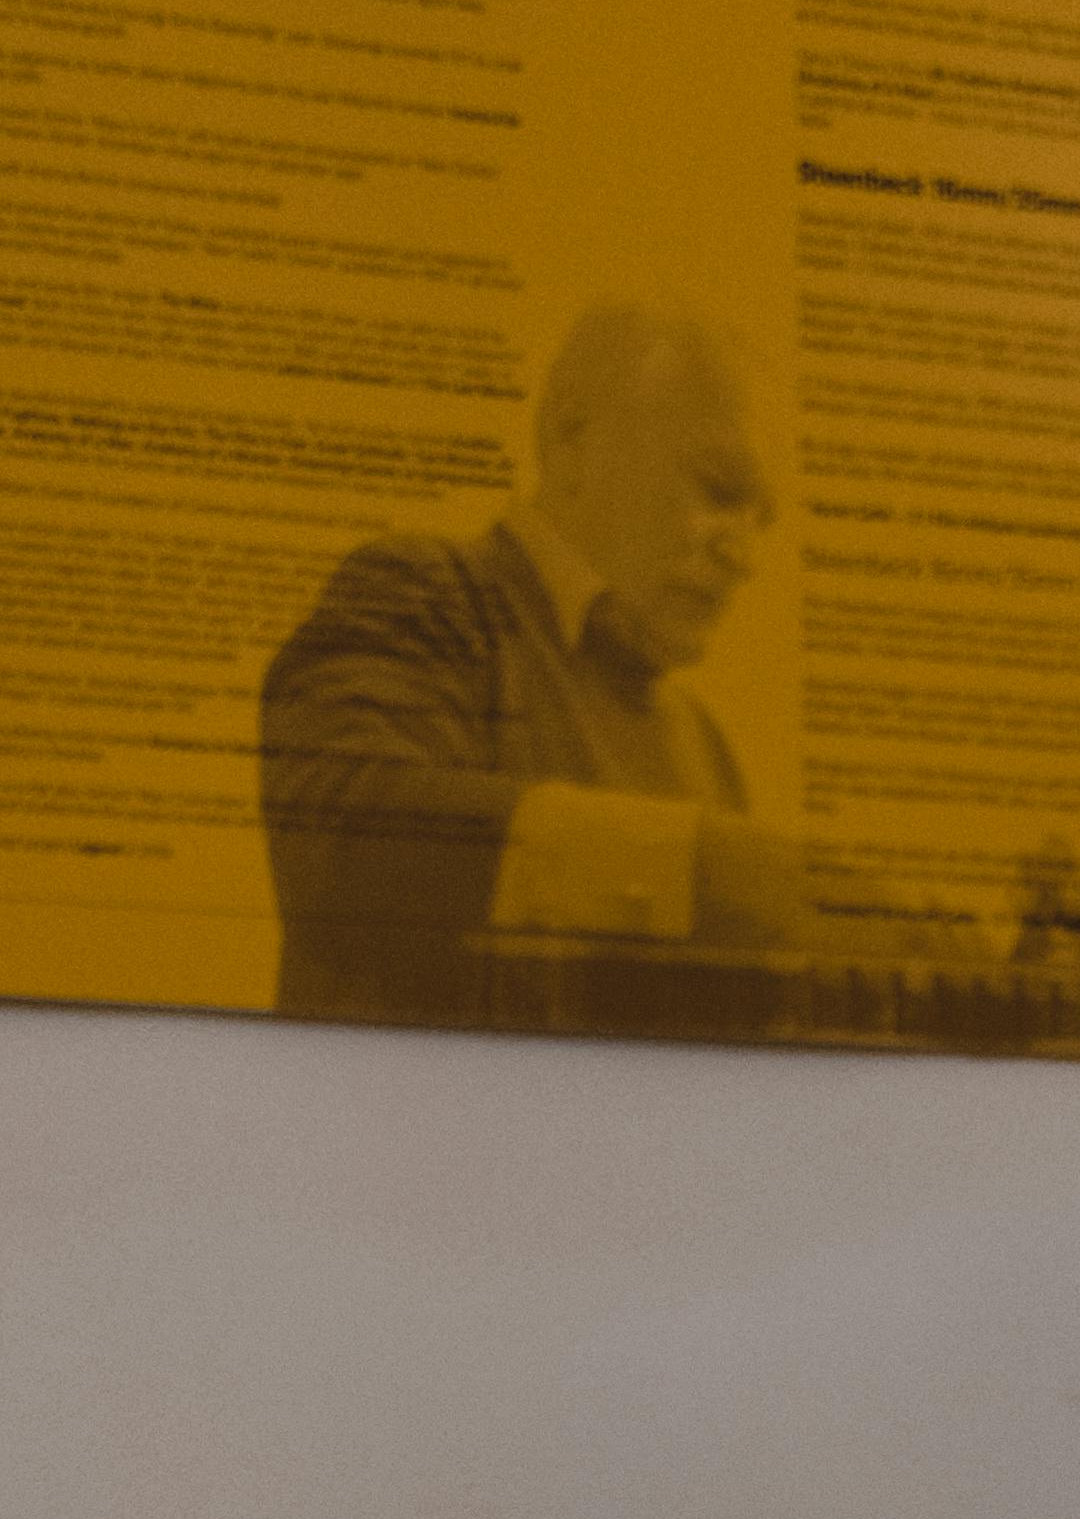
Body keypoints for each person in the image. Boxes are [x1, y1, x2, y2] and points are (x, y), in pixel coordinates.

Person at [259, 307, 806, 1026]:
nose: (747, 557)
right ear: (571, 439)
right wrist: (719, 871)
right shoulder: (427, 589)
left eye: (761, 518)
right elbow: (345, 835)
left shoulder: (703, 740)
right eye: (718, 490)